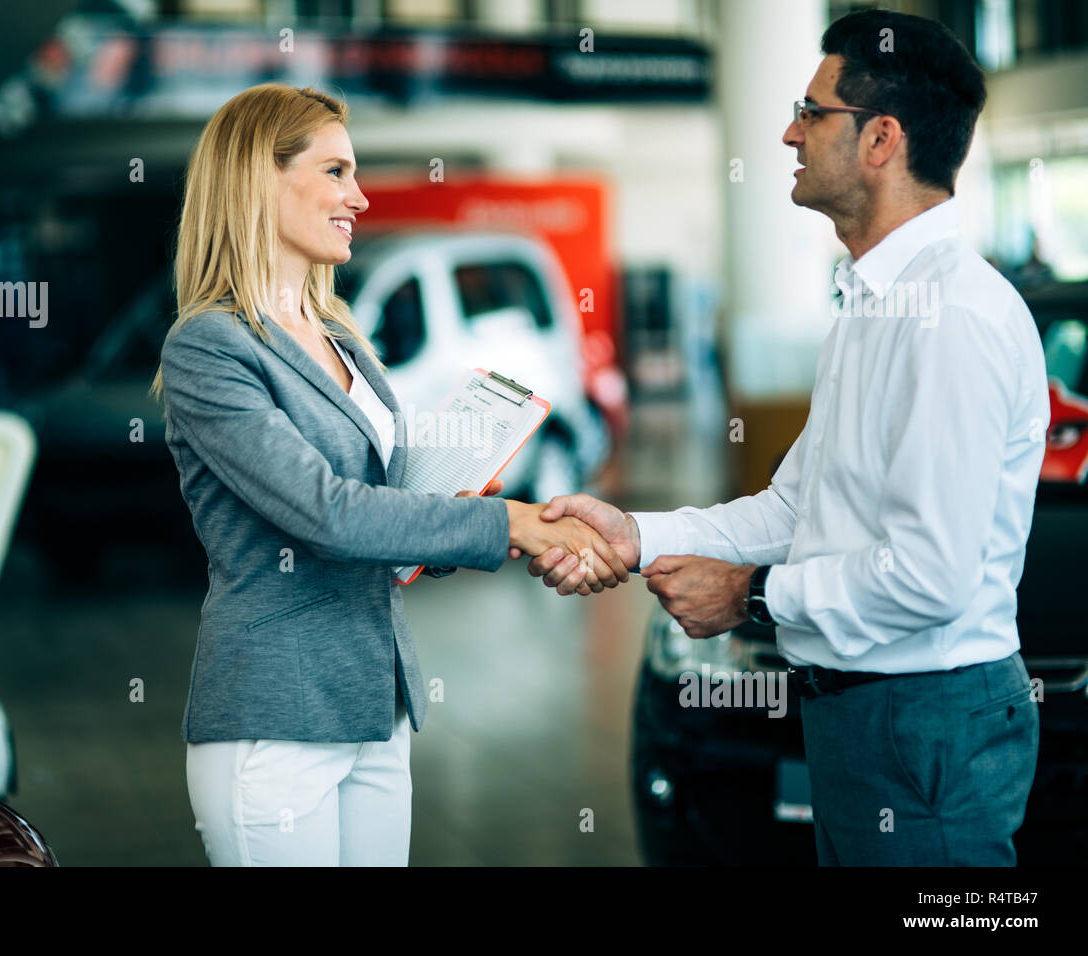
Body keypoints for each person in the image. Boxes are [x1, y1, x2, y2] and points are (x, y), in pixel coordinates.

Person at [529, 11, 1047, 866]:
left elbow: (931, 576)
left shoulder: (951, 316)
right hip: (863, 715)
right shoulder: (873, 302)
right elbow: (796, 505)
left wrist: (750, 596)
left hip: (924, 721)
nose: (786, 132)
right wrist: (638, 534)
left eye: (811, 112)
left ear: (881, 140)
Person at [149, 83, 627, 867]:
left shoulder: (345, 339)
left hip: (376, 701)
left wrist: (497, 521)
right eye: (336, 171)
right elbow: (325, 512)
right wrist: (506, 524)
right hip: (276, 717)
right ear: (258, 179)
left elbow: (392, 513)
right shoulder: (210, 347)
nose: (360, 196)